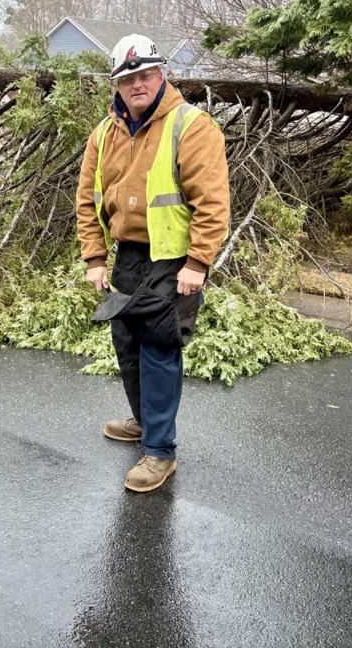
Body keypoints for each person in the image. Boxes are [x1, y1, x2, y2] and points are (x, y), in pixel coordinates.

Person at [76, 35, 230, 493]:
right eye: (127, 79)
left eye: (144, 75)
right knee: (125, 342)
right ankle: (144, 423)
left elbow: (213, 202)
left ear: (162, 74)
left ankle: (160, 453)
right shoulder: (104, 134)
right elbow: (87, 201)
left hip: (174, 259)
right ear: (116, 85)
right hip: (127, 256)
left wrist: (198, 263)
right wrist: (95, 257)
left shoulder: (191, 125)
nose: (136, 84)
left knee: (158, 349)